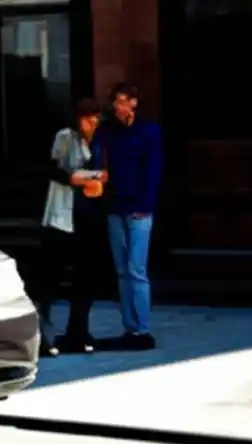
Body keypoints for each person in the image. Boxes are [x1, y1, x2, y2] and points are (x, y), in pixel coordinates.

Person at [91, 81, 163, 350]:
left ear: (133, 102)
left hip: (139, 208)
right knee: (122, 270)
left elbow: (154, 169)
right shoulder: (109, 130)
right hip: (115, 205)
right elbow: (96, 154)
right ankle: (129, 327)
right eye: (115, 101)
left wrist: (146, 203)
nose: (117, 106)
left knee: (137, 269)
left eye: (122, 101)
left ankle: (142, 328)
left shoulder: (148, 131)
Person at [36, 98, 109, 356]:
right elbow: (61, 172)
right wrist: (91, 177)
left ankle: (78, 332)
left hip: (88, 217)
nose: (93, 124)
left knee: (85, 279)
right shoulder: (65, 138)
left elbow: (105, 173)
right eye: (88, 119)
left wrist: (95, 178)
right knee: (52, 280)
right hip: (62, 218)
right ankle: (44, 336)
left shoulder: (99, 141)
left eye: (96, 119)